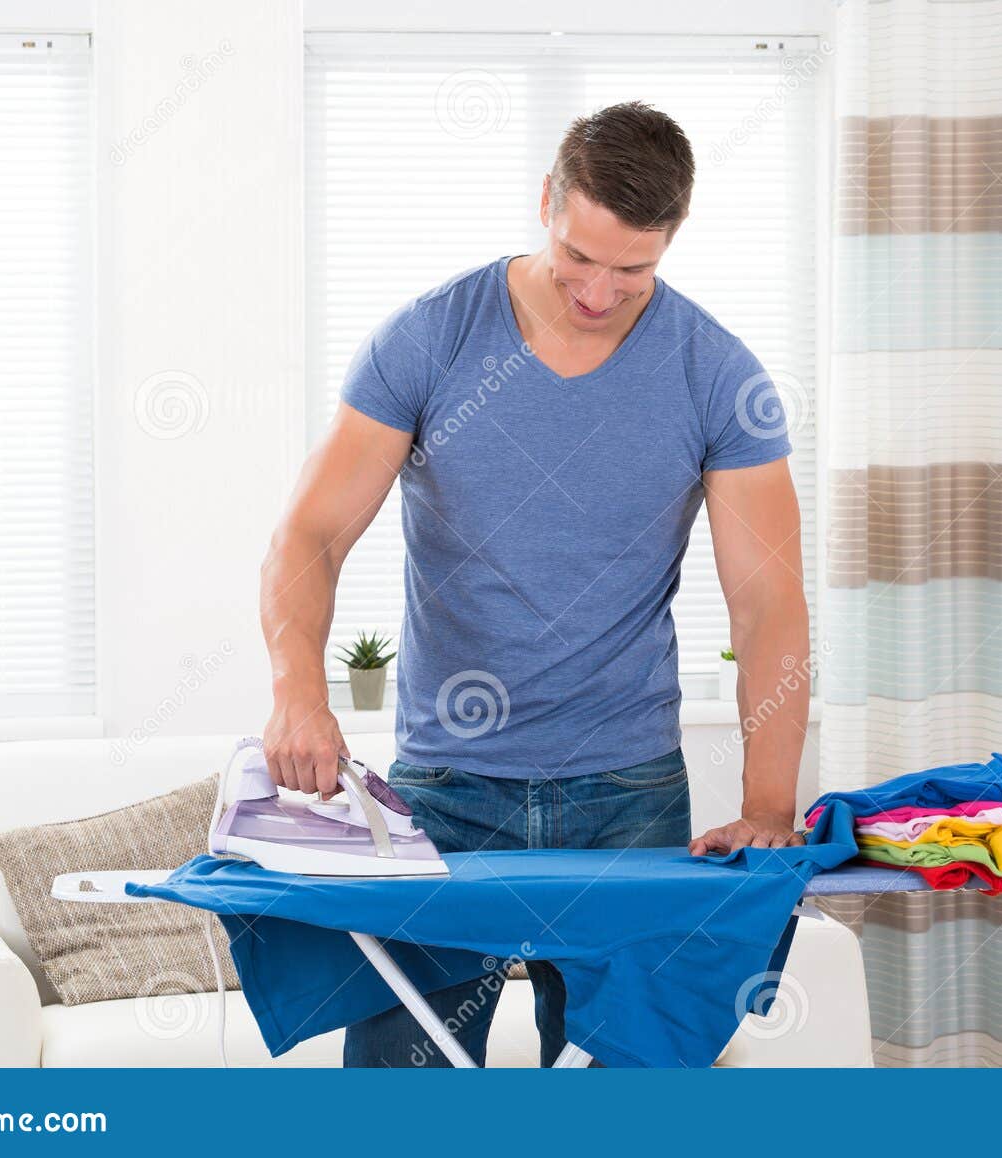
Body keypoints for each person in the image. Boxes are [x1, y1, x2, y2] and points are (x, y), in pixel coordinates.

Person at [259, 101, 809, 1067]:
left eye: (632, 270)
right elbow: (310, 532)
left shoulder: (717, 373)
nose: (598, 292)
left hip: (628, 792)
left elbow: (768, 601)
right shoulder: (427, 341)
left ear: (673, 238)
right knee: (402, 1088)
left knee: (639, 1089)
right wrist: (299, 694)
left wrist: (770, 806)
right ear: (546, 200)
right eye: (577, 258)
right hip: (447, 792)